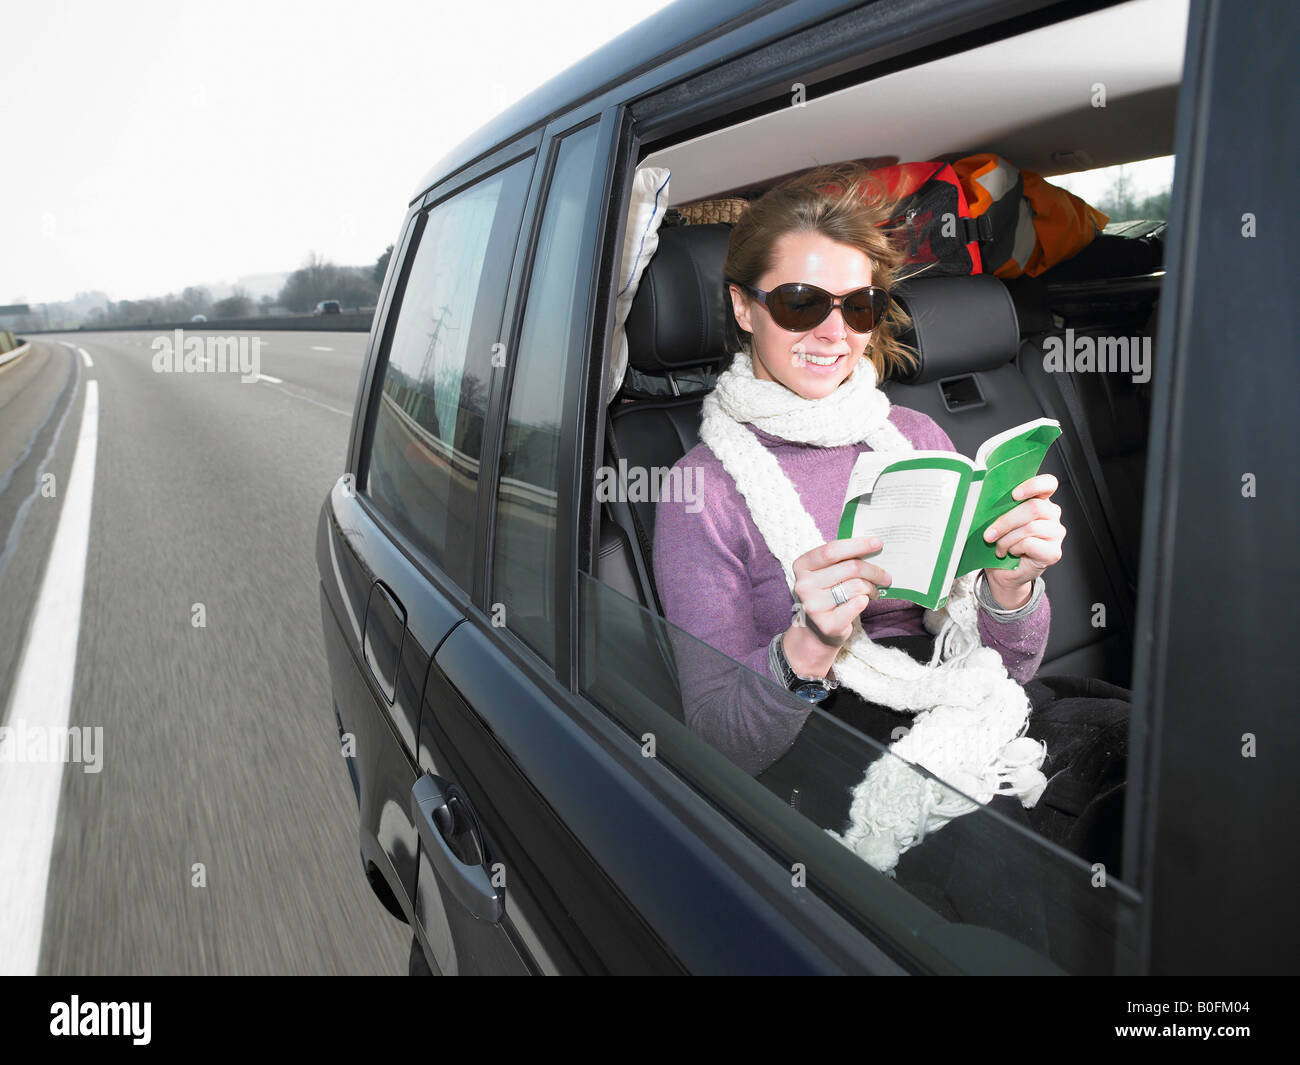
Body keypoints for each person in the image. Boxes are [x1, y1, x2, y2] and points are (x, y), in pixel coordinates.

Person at [651, 164, 1129, 912]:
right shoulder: (700, 490)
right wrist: (808, 640)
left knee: (1167, 777)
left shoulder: (911, 435)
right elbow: (719, 741)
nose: (834, 332)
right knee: (1069, 878)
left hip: (978, 704)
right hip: (835, 747)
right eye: (802, 302)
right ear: (745, 308)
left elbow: (1008, 664)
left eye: (859, 304)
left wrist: (1010, 588)